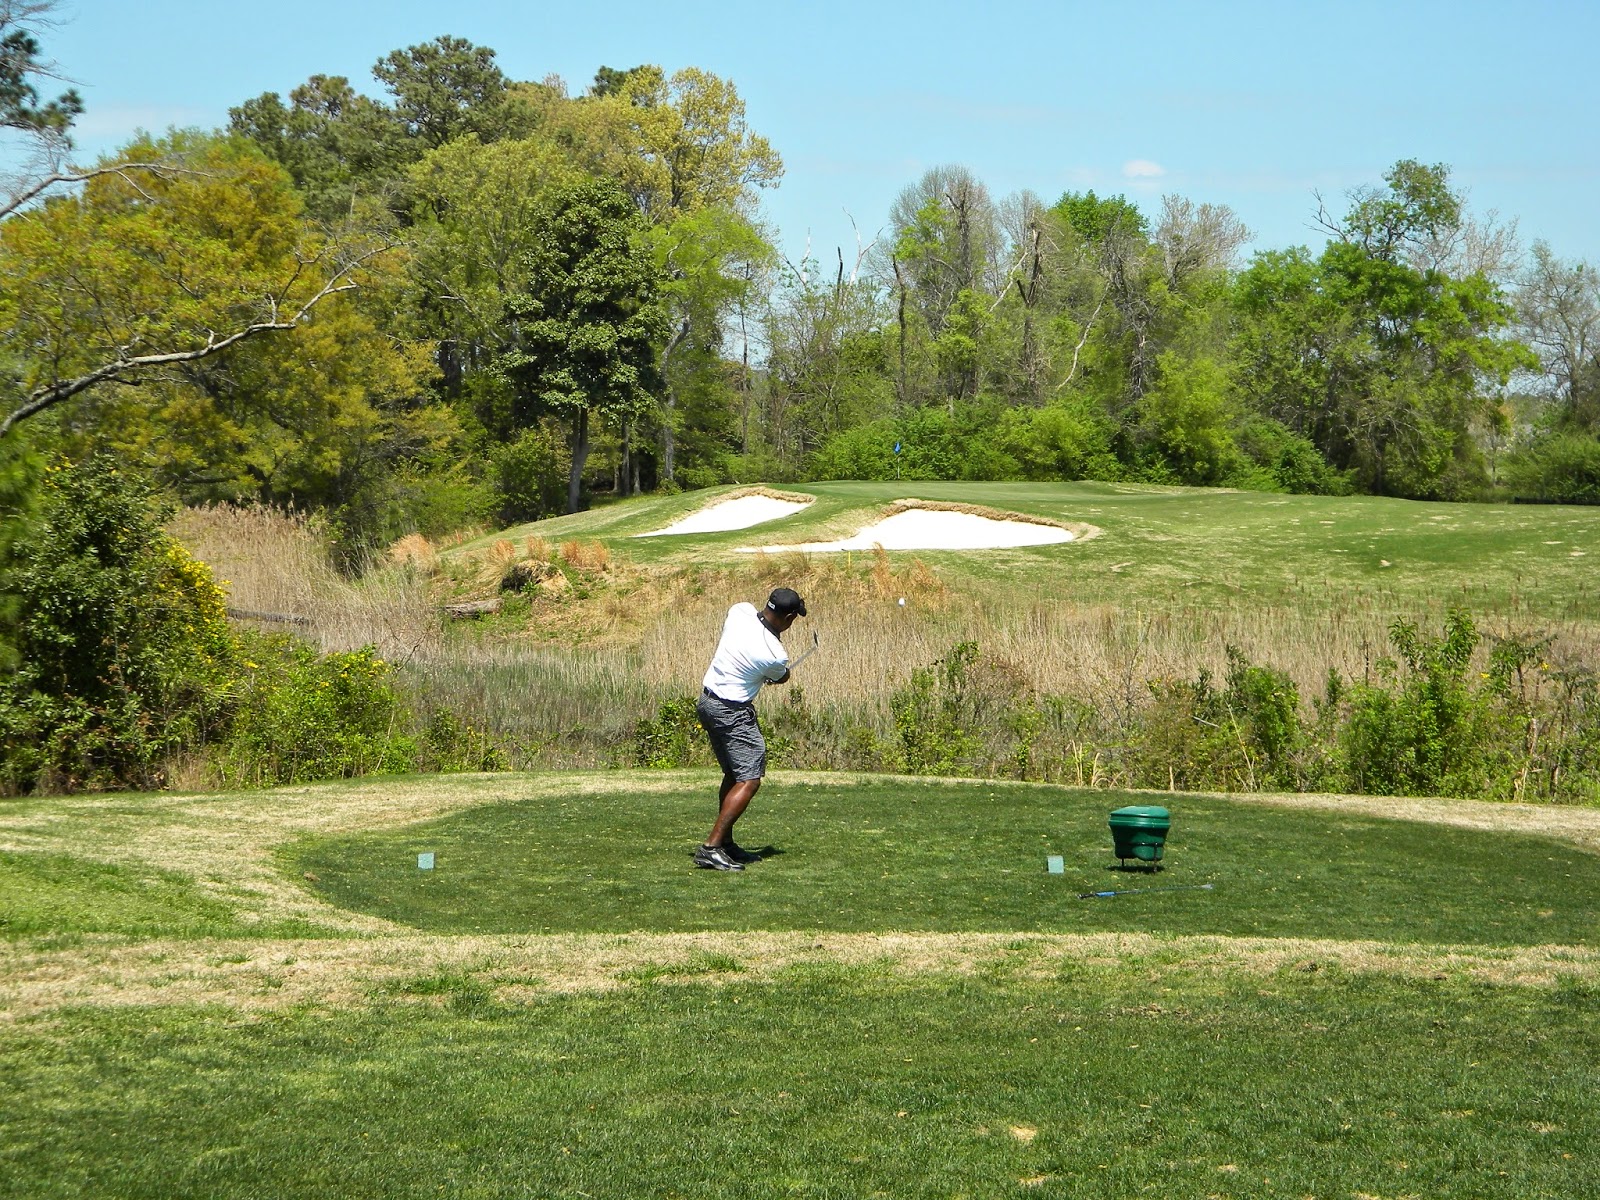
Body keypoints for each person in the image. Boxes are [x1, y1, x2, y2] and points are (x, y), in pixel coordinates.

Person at [692, 586, 807, 871]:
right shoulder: (775, 654)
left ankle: (726, 844)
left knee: (734, 774)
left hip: (707, 703)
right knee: (750, 779)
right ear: (790, 617)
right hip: (733, 713)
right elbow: (781, 677)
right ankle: (711, 847)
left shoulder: (739, 610)